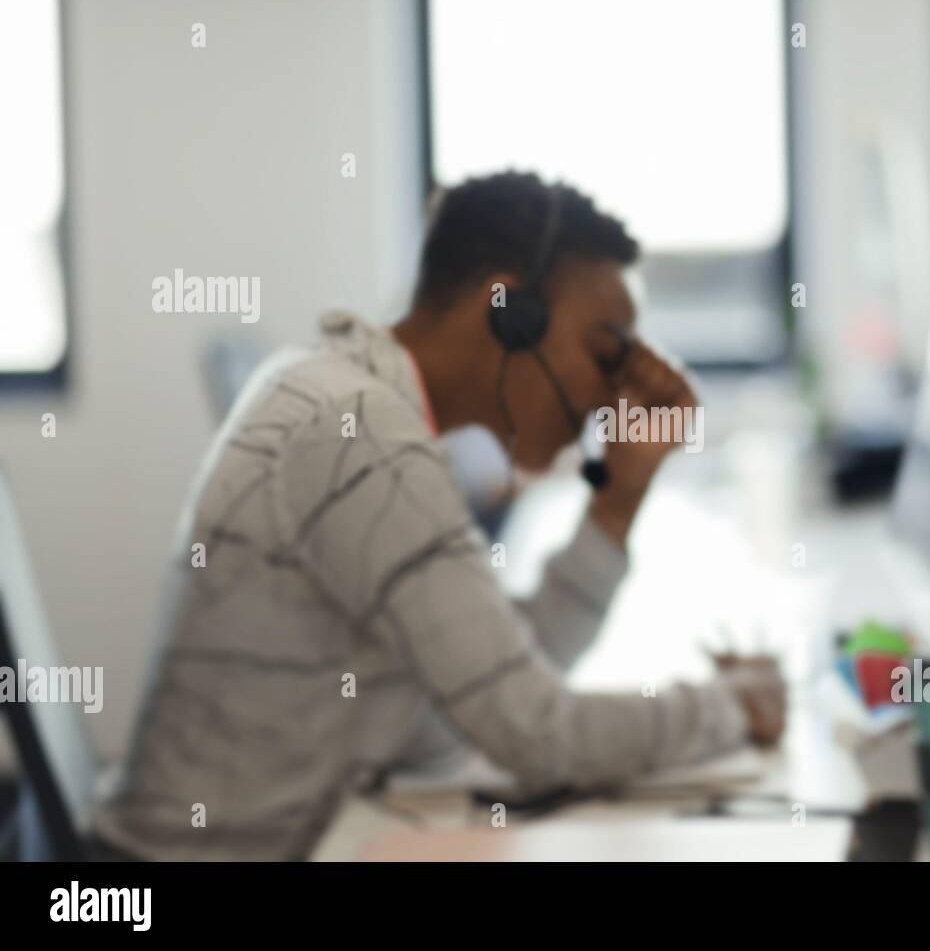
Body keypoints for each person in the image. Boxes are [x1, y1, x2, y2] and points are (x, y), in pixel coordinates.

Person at [93, 171, 786, 860]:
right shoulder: (360, 433)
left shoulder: (354, 401)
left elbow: (503, 676)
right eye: (606, 354)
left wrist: (619, 500)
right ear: (509, 310)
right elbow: (539, 735)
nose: (614, 394)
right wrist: (732, 706)